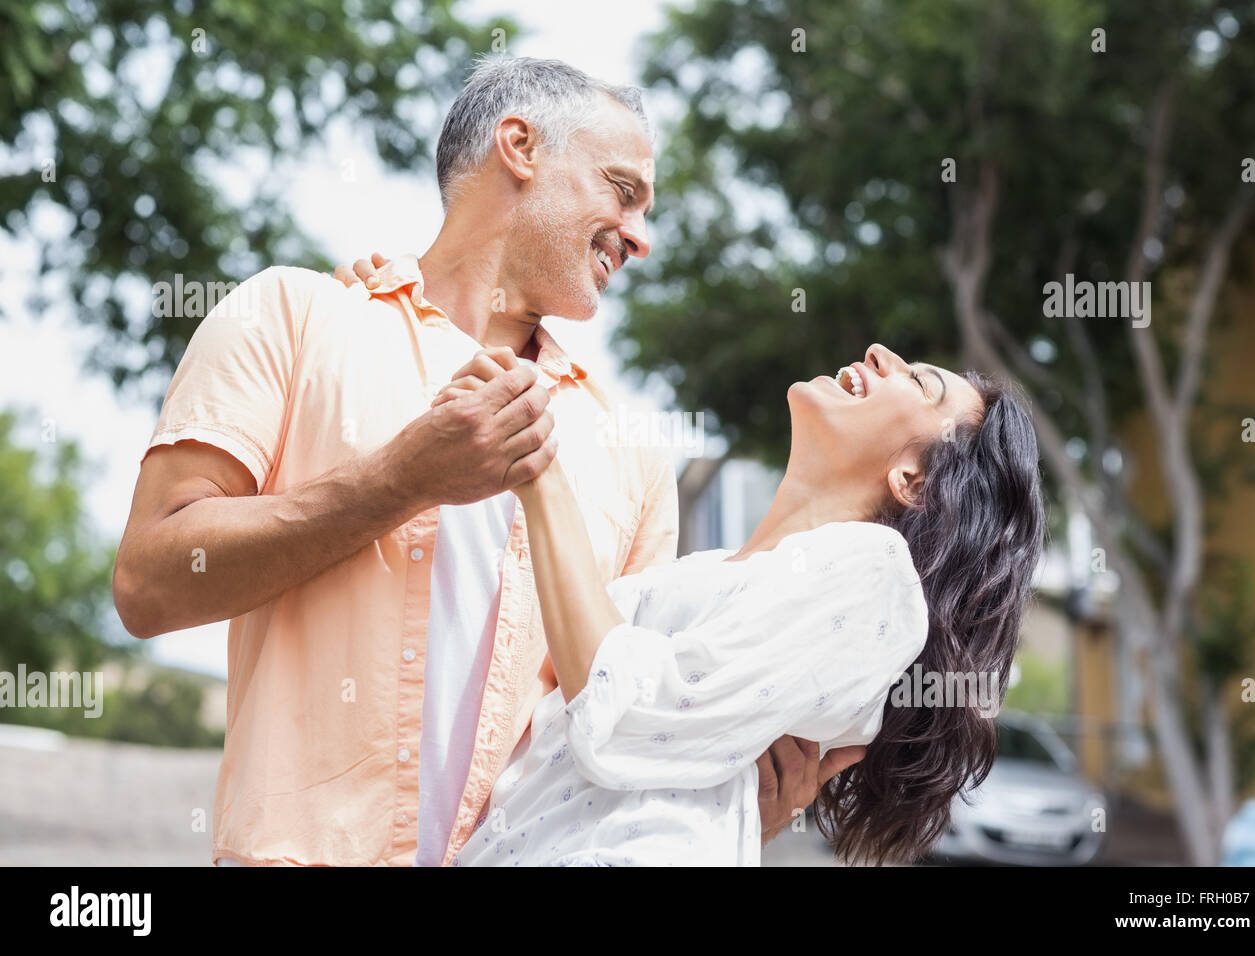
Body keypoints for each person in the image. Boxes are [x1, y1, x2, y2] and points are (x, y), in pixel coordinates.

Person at [112, 56, 842, 867]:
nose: (641, 237)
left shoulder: (632, 460)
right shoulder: (291, 315)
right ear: (520, 146)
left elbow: (615, 742)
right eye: (622, 190)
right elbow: (148, 586)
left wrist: (732, 814)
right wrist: (400, 481)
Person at [440, 343, 1045, 866]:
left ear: (914, 480)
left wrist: (541, 473)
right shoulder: (697, 573)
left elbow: (627, 718)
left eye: (920, 383)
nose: (878, 355)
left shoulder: (874, 576)